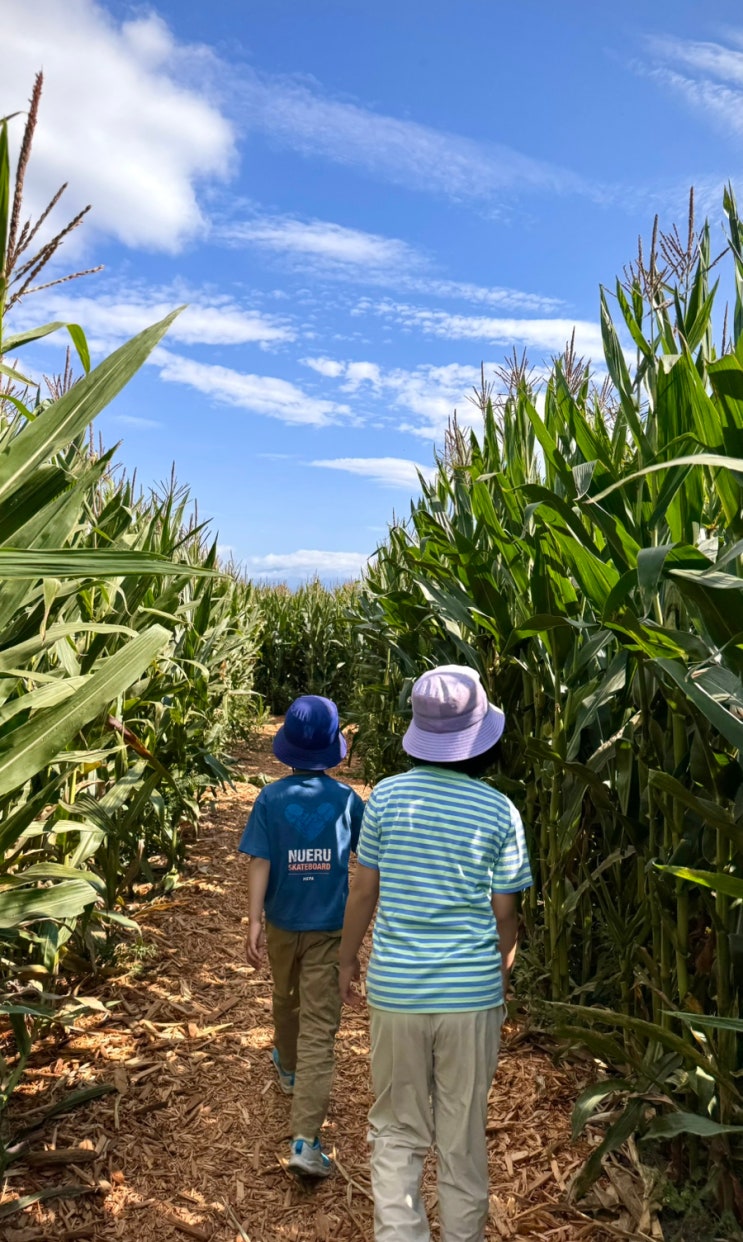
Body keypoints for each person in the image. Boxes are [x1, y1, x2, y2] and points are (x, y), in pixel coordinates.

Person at [339, 664, 532, 1242]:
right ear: (479, 738)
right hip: (470, 995)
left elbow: (364, 891)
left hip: (397, 991)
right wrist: (498, 973)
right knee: (461, 1136)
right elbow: (506, 913)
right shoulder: (500, 811)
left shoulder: (388, 798)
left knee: (397, 1130)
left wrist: (348, 959)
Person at [240, 694, 365, 1177]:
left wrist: (253, 918)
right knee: (320, 1028)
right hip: (330, 926)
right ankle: (305, 1139)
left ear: (287, 747)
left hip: (281, 923)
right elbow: (368, 860)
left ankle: (290, 1075)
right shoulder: (346, 799)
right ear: (332, 749)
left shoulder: (271, 798)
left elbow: (261, 860)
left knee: (284, 996)